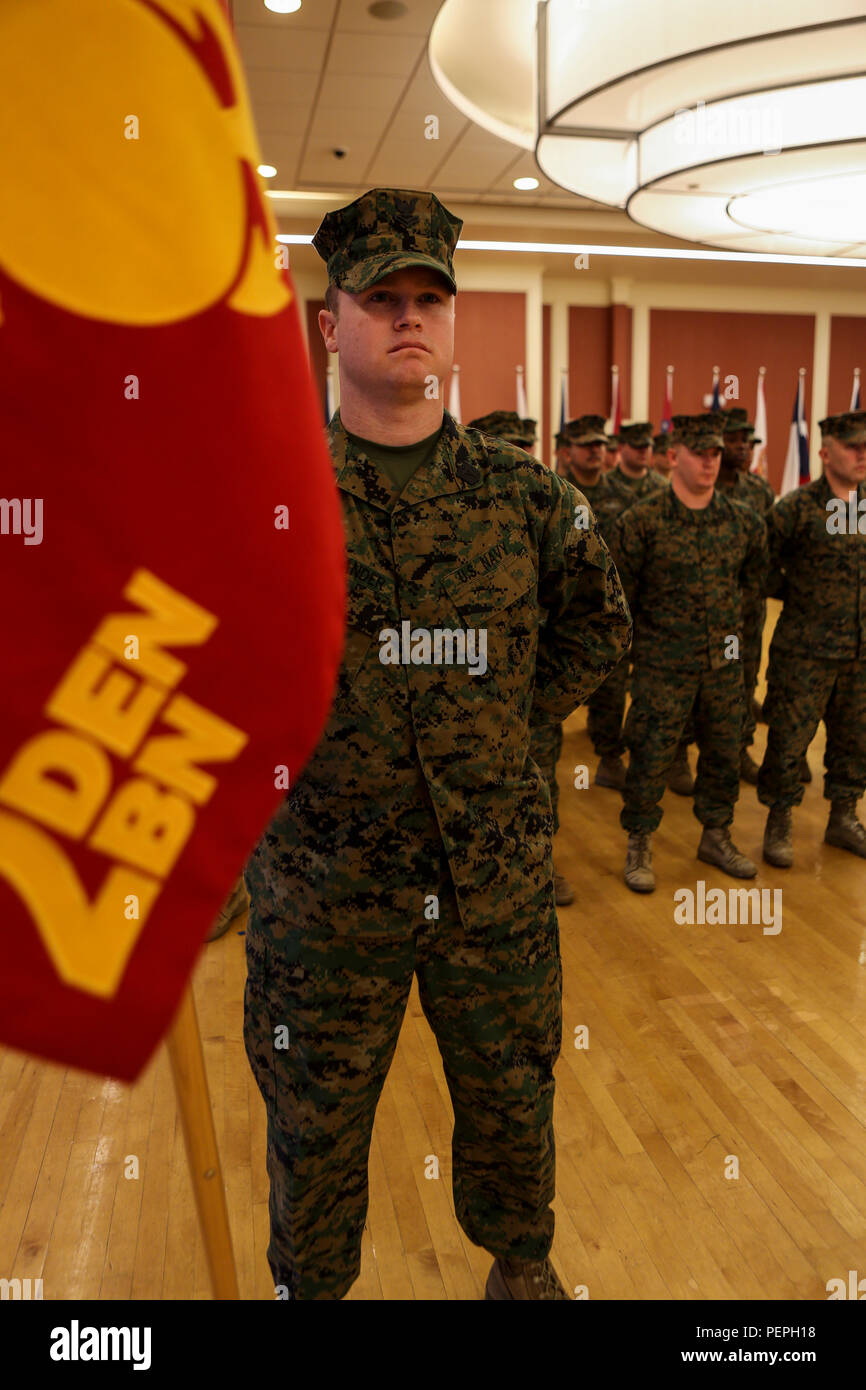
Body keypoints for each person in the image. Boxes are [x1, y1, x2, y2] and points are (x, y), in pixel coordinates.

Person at [242, 188, 632, 1301]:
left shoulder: (526, 498)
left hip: (492, 884)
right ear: (332, 324)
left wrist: (508, 729)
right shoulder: (268, 502)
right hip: (323, 895)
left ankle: (520, 1262)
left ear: (453, 323)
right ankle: (309, 1288)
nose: (407, 317)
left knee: (513, 1093)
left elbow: (594, 624)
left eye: (428, 298)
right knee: (312, 1120)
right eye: (379, 298)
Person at [609, 414, 768, 893]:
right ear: (674, 456)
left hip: (723, 667)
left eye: (716, 453)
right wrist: (642, 654)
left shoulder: (744, 522)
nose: (709, 462)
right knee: (651, 755)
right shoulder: (640, 522)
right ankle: (639, 842)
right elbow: (621, 600)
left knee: (722, 754)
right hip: (662, 666)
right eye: (699, 453)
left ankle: (716, 836)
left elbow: (751, 593)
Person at [469, 412, 576, 906]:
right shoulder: (458, 513)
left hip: (527, 685)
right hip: (464, 696)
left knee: (537, 779)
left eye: (528, 445)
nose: (522, 455)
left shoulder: (546, 508)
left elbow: (589, 615)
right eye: (511, 444)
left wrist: (542, 696)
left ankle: (538, 865)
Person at [758, 410, 866, 866]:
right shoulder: (797, 508)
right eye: (853, 447)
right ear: (825, 452)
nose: (862, 455)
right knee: (788, 740)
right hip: (805, 652)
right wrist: (799, 594)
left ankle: (844, 815)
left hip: (861, 654)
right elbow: (761, 566)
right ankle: (779, 821)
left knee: (857, 739)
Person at [584, 421, 671, 792]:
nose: (642, 452)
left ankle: (655, 751)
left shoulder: (661, 490)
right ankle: (609, 753)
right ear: (622, 449)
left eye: (647, 445)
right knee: (612, 682)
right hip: (609, 597)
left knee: (652, 680)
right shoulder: (608, 489)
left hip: (652, 600)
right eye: (635, 446)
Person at [713, 408, 775, 784]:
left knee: (745, 680)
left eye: (748, 442)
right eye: (735, 440)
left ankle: (739, 750)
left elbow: (771, 550)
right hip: (704, 611)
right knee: (699, 685)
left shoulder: (760, 491)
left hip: (748, 612)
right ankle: (681, 756)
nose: (743, 448)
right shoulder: (702, 489)